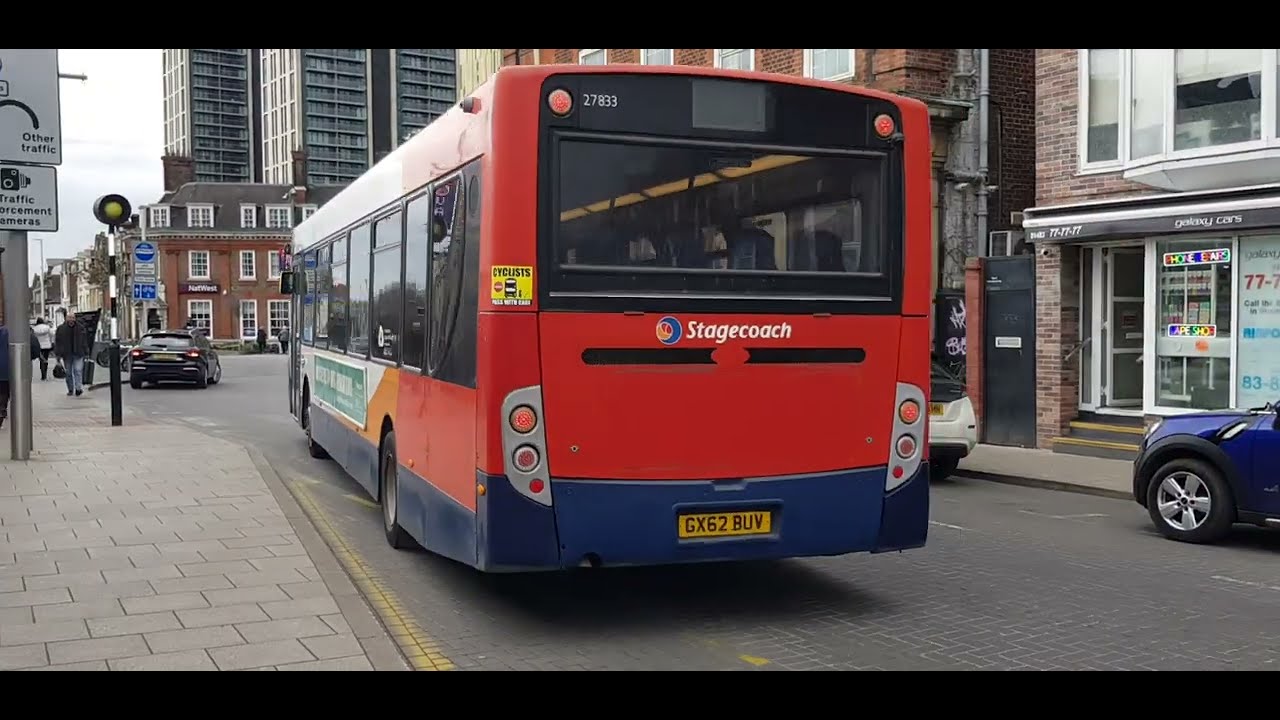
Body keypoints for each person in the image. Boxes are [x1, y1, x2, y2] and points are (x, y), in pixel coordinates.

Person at [54, 311, 89, 397]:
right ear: (66, 319)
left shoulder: (80, 328)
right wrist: (58, 355)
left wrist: (86, 352)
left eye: (73, 318)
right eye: (69, 318)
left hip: (78, 353)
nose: (71, 320)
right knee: (68, 372)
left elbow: (84, 341)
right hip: (67, 354)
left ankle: (78, 389)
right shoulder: (61, 329)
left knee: (78, 370)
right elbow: (58, 342)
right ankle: (70, 389)